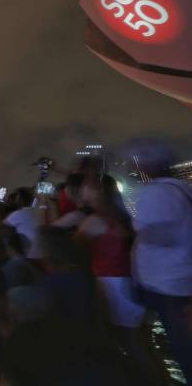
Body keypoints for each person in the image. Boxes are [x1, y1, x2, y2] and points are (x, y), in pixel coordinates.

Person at [74, 174, 160, 383]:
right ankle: (160, 378)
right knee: (143, 341)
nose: (83, 192)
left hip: (112, 284)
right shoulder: (126, 215)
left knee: (129, 342)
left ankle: (150, 380)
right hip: (133, 280)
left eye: (88, 188)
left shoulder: (96, 220)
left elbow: (73, 249)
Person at [129, 139, 192, 380]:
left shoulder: (155, 192)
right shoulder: (182, 188)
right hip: (182, 278)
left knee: (184, 348)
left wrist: (138, 232)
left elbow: (156, 234)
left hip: (169, 284)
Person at [3, 187, 46, 262]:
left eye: (16, 197)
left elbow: (1, 227)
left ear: (20, 199)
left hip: (30, 254)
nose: (15, 200)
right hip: (42, 250)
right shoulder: (35, 211)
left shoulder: (18, 214)